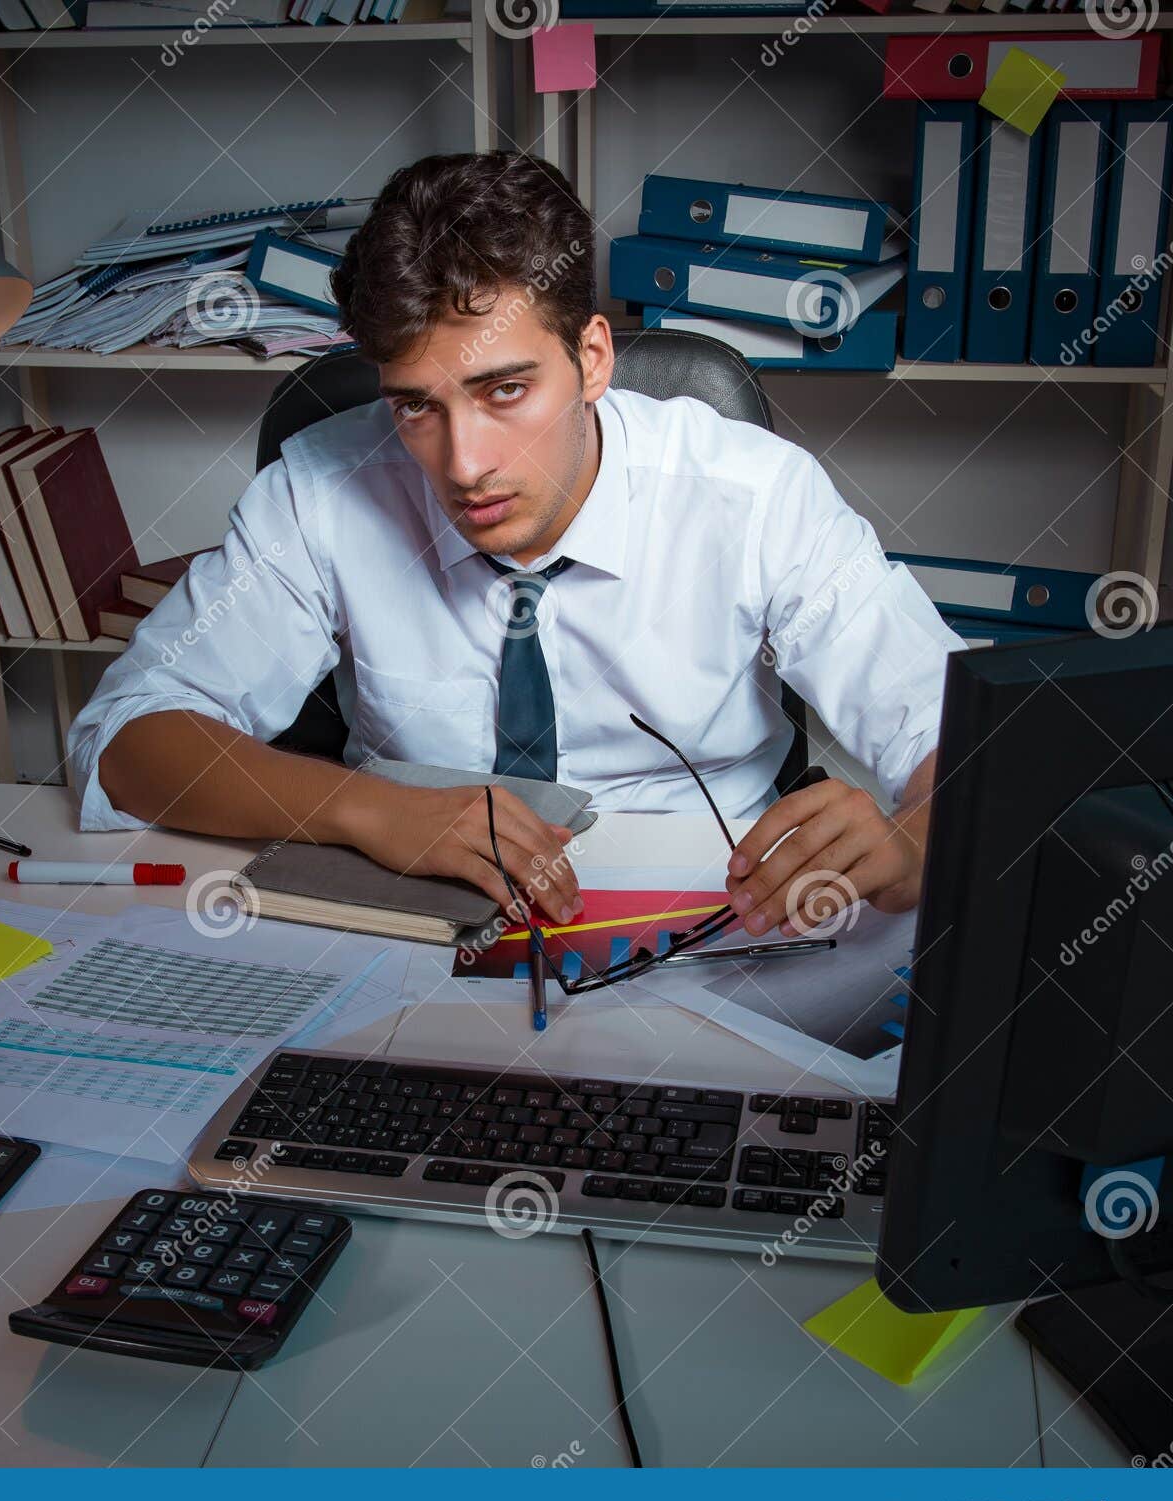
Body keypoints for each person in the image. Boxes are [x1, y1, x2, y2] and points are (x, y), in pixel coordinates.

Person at [68, 152, 959, 939]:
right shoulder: (320, 492)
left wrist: (912, 849)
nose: (465, 465)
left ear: (594, 358)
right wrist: (371, 811)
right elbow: (126, 742)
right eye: (416, 405)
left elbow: (966, 744)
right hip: (402, 908)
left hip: (707, 911)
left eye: (504, 391)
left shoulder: (755, 494)